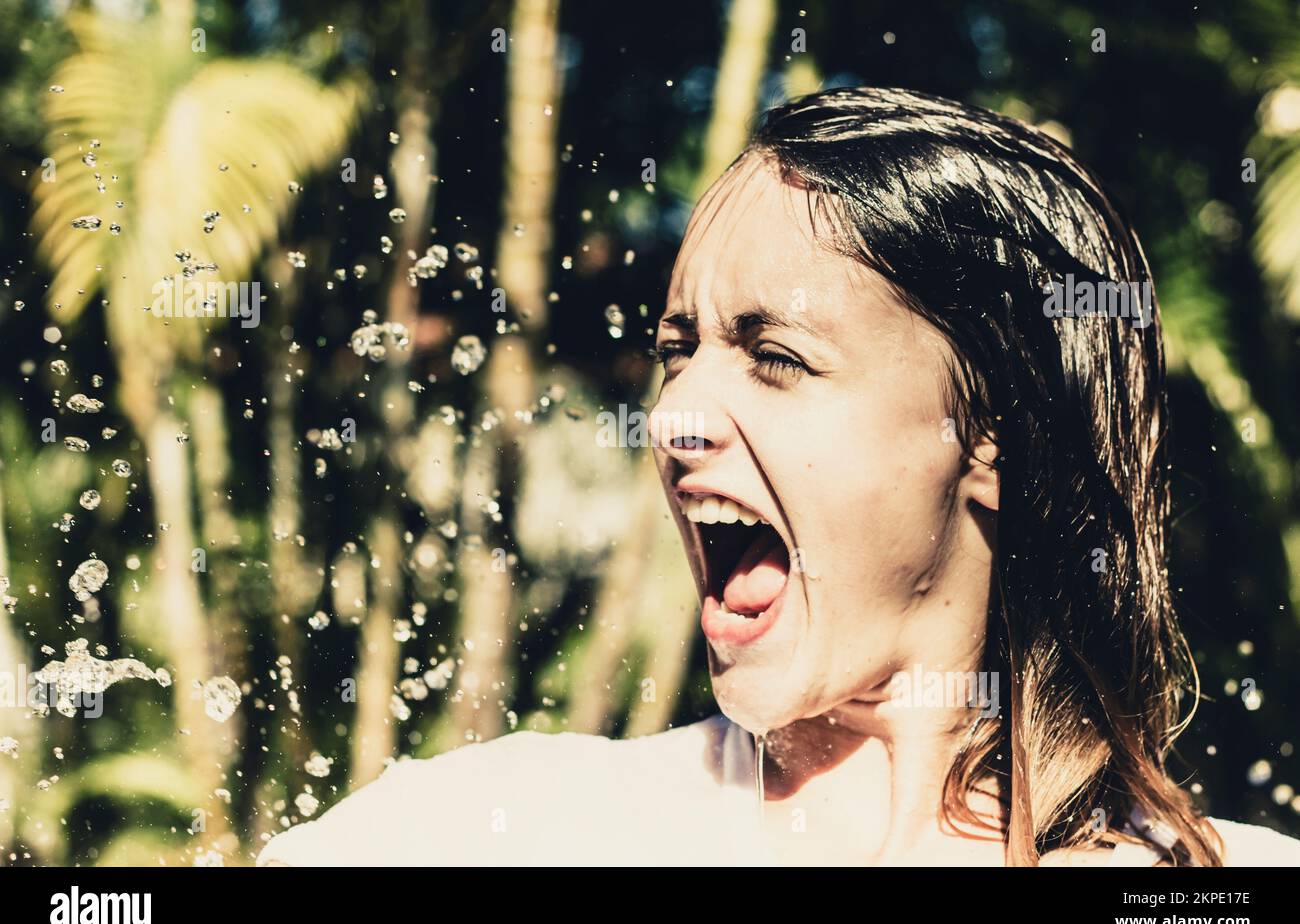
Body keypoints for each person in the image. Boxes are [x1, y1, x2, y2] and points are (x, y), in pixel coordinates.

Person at [258, 87, 1300, 867]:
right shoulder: (493, 833)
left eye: (777, 356)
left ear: (996, 441)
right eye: (679, 348)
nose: (672, 416)